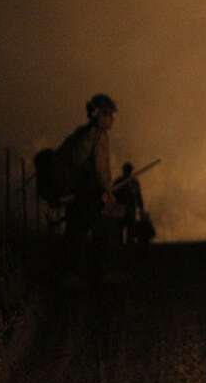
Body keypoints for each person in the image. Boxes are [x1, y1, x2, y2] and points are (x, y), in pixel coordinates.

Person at [59, 93, 122, 282]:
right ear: (100, 114)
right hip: (91, 193)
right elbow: (100, 168)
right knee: (103, 231)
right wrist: (107, 191)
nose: (112, 119)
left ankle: (71, 273)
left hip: (77, 192)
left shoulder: (82, 134)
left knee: (76, 232)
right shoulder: (99, 136)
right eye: (110, 114)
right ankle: (103, 273)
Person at [114, 161, 146, 245]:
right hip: (120, 208)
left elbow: (138, 196)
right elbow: (113, 194)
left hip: (131, 208)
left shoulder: (134, 182)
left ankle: (129, 247)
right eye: (127, 170)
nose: (128, 172)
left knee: (130, 229)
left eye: (129, 170)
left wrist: (141, 208)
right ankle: (120, 247)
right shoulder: (118, 182)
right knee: (120, 229)